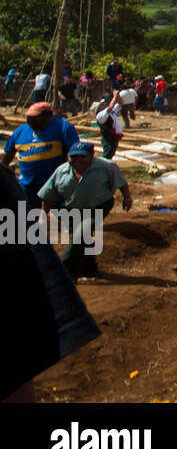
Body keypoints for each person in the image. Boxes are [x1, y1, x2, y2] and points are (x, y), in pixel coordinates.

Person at [0, 159, 101, 401]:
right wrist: (44, 214)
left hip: (90, 209)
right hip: (58, 208)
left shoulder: (101, 170)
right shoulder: (61, 175)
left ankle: (79, 266)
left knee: (83, 236)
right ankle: (76, 267)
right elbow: (46, 196)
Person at [38, 142, 132, 279]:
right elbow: (49, 195)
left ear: (92, 156)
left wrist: (127, 198)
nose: (78, 161)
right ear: (68, 157)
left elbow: (121, 181)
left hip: (99, 205)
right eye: (74, 157)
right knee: (83, 237)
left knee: (79, 235)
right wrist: (43, 214)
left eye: (83, 157)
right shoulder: (61, 172)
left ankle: (64, 273)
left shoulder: (106, 166)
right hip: (73, 209)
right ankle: (89, 270)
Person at [3, 103, 80, 210]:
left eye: (35, 117)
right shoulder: (20, 131)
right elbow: (7, 156)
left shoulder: (63, 127)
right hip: (28, 186)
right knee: (28, 217)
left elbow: (74, 154)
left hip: (55, 185)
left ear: (48, 115)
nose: (30, 120)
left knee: (66, 215)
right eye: (28, 117)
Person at [94, 91, 125, 160]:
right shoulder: (100, 115)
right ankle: (103, 168)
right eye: (102, 104)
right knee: (107, 155)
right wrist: (114, 97)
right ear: (99, 108)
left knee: (110, 154)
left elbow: (120, 103)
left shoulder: (110, 112)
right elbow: (110, 107)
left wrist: (118, 95)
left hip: (113, 138)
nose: (104, 104)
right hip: (108, 138)